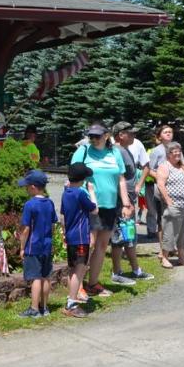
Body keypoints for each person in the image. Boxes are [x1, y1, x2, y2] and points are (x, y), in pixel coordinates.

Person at [71, 123, 132, 299]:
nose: (94, 139)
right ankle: (77, 286)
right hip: (89, 206)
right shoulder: (83, 151)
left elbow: (121, 179)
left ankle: (93, 283)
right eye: (91, 136)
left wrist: (126, 203)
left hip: (110, 206)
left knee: (102, 245)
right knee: (88, 244)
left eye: (97, 136)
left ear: (106, 136)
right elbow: (73, 176)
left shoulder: (115, 153)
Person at [110, 122, 152, 284]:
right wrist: (125, 202)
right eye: (130, 133)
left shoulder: (124, 149)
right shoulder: (117, 151)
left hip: (128, 199)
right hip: (122, 201)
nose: (134, 135)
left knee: (129, 235)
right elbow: (117, 178)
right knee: (120, 235)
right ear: (121, 135)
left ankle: (135, 270)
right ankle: (116, 273)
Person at [153, 141, 184, 268]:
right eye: (174, 152)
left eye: (179, 151)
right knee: (170, 232)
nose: (177, 154)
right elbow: (160, 185)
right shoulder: (164, 166)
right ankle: (165, 257)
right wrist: (168, 200)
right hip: (174, 206)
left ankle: (182, 257)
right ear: (168, 154)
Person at [17, 169, 58, 319]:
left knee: (35, 277)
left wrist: (22, 247)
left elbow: (26, 229)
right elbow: (53, 225)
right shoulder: (50, 203)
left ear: (33, 187)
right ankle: (44, 307)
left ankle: (34, 309)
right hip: (47, 245)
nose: (26, 189)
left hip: (33, 246)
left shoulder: (30, 205)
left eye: (27, 186)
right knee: (45, 277)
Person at [61, 162, 97, 318]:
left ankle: (72, 297)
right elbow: (94, 209)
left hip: (71, 237)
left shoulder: (66, 193)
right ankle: (71, 303)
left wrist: (64, 233)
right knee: (80, 270)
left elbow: (63, 216)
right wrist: (92, 192)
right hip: (81, 237)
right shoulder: (80, 194)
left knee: (72, 269)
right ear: (82, 179)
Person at [143, 124, 175, 241]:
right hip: (155, 185)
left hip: (172, 185)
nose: (168, 133)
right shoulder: (156, 151)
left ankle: (166, 232)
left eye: (170, 132)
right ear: (159, 136)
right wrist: (160, 178)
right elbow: (149, 169)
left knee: (167, 209)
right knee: (152, 209)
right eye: (165, 132)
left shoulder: (176, 148)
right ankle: (152, 230)